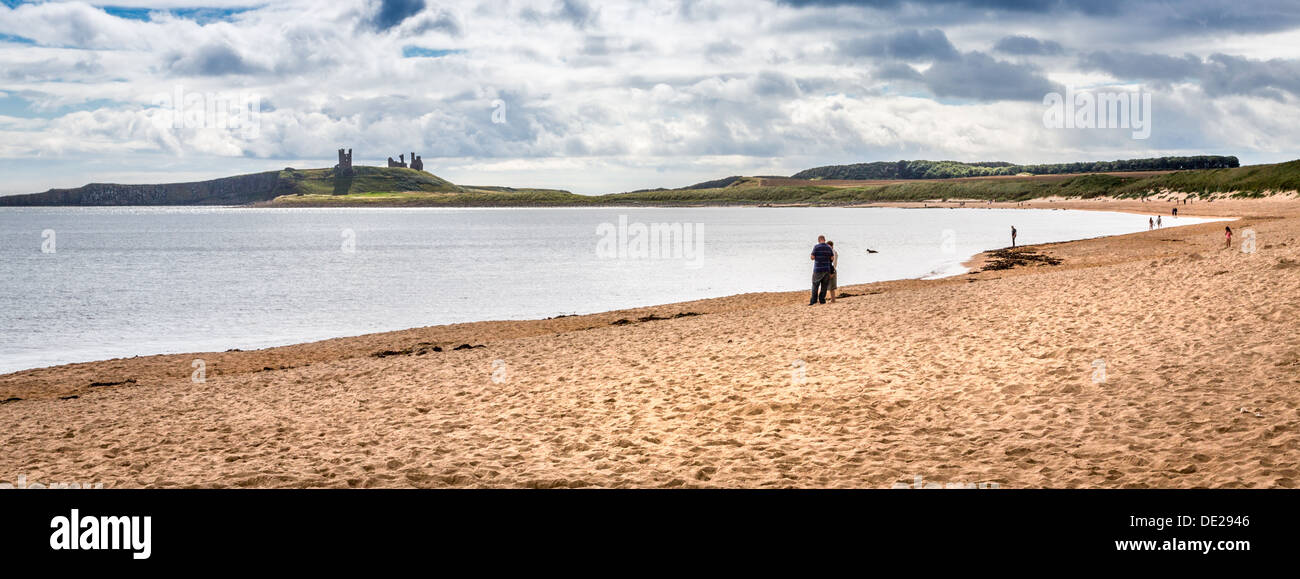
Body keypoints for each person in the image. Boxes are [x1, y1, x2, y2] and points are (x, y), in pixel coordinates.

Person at [809, 235, 834, 305]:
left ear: (819, 240)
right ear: (824, 240)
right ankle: (822, 300)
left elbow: (812, 257)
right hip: (826, 269)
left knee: (815, 285)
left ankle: (813, 301)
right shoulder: (829, 247)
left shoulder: (816, 247)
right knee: (824, 286)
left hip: (818, 269)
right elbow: (832, 258)